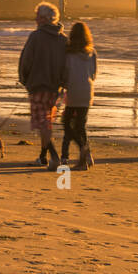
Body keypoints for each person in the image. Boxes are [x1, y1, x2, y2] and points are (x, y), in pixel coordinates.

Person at [18, 1, 68, 169]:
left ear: (45, 19)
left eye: (38, 16)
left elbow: (25, 61)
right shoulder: (63, 39)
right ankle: (42, 156)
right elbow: (67, 65)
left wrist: (24, 79)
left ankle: (54, 157)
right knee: (47, 122)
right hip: (56, 88)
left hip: (38, 85)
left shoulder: (36, 36)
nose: (35, 18)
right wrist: (64, 83)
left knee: (42, 123)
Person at [60, 21, 98, 169]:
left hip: (73, 90)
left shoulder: (68, 52)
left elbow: (65, 72)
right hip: (87, 92)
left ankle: (83, 148)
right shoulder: (92, 52)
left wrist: (62, 85)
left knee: (67, 123)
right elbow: (93, 74)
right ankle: (87, 157)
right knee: (81, 125)